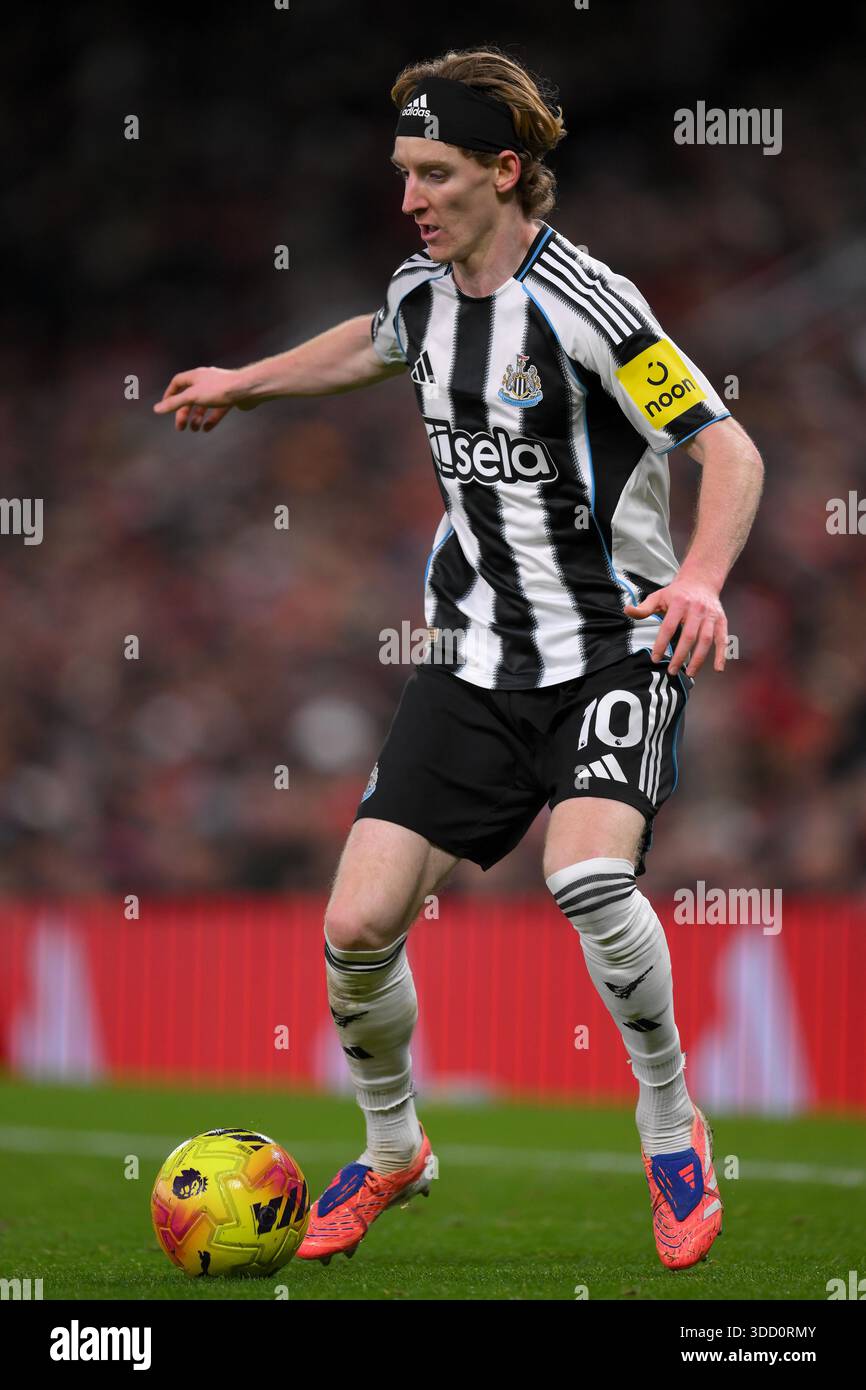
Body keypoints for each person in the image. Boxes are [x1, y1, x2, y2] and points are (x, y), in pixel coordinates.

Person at [154, 46, 764, 1272]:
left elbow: (729, 449)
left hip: (609, 648)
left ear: (504, 171)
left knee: (585, 879)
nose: (408, 197)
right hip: (476, 656)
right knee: (356, 925)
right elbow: (369, 342)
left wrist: (695, 579)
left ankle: (667, 1121)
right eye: (400, 172)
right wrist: (248, 384)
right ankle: (394, 1153)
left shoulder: (592, 308)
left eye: (431, 174)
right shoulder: (424, 292)